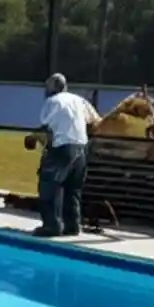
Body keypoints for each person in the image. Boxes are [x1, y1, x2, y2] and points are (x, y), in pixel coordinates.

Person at [26, 73, 100, 237]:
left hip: (62, 148)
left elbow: (46, 127)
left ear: (51, 88)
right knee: (72, 190)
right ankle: (72, 225)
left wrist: (32, 138)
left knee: (48, 185)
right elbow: (95, 121)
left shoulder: (52, 102)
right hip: (82, 149)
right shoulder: (79, 100)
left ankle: (52, 226)